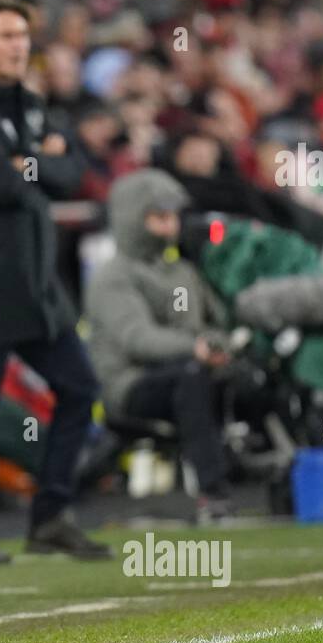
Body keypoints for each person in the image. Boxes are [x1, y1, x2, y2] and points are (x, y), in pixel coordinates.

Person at [0, 0, 109, 564]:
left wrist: (33, 159)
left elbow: (74, 170)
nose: (19, 46)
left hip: (37, 281)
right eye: (7, 36)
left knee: (80, 388)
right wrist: (39, 160)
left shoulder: (30, 102)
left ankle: (52, 517)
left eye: (23, 35)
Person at [85, 169, 235, 523]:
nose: (170, 227)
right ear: (132, 220)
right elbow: (137, 339)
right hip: (131, 384)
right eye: (158, 218)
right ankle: (213, 491)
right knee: (191, 375)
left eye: (172, 217)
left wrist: (220, 345)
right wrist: (196, 347)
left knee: (253, 374)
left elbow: (216, 323)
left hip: (188, 368)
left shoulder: (181, 271)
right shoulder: (113, 276)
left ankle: (282, 473)